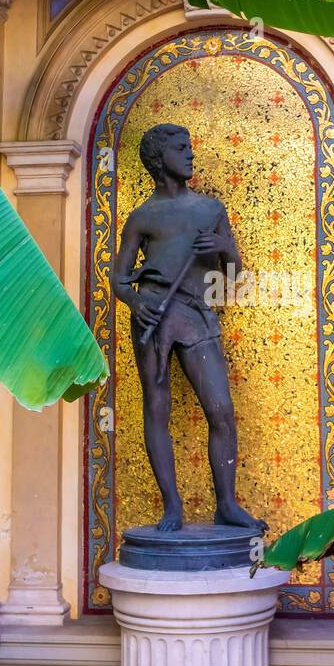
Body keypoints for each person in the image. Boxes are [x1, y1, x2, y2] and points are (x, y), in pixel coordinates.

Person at [112, 123, 267, 533]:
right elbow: (119, 277)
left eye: (190, 148)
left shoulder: (210, 210)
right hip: (154, 314)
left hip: (197, 314)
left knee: (220, 409)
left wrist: (224, 249)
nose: (191, 155)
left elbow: (234, 277)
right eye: (183, 149)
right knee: (156, 408)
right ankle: (172, 507)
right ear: (162, 159)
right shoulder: (143, 216)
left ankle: (227, 504)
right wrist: (136, 301)